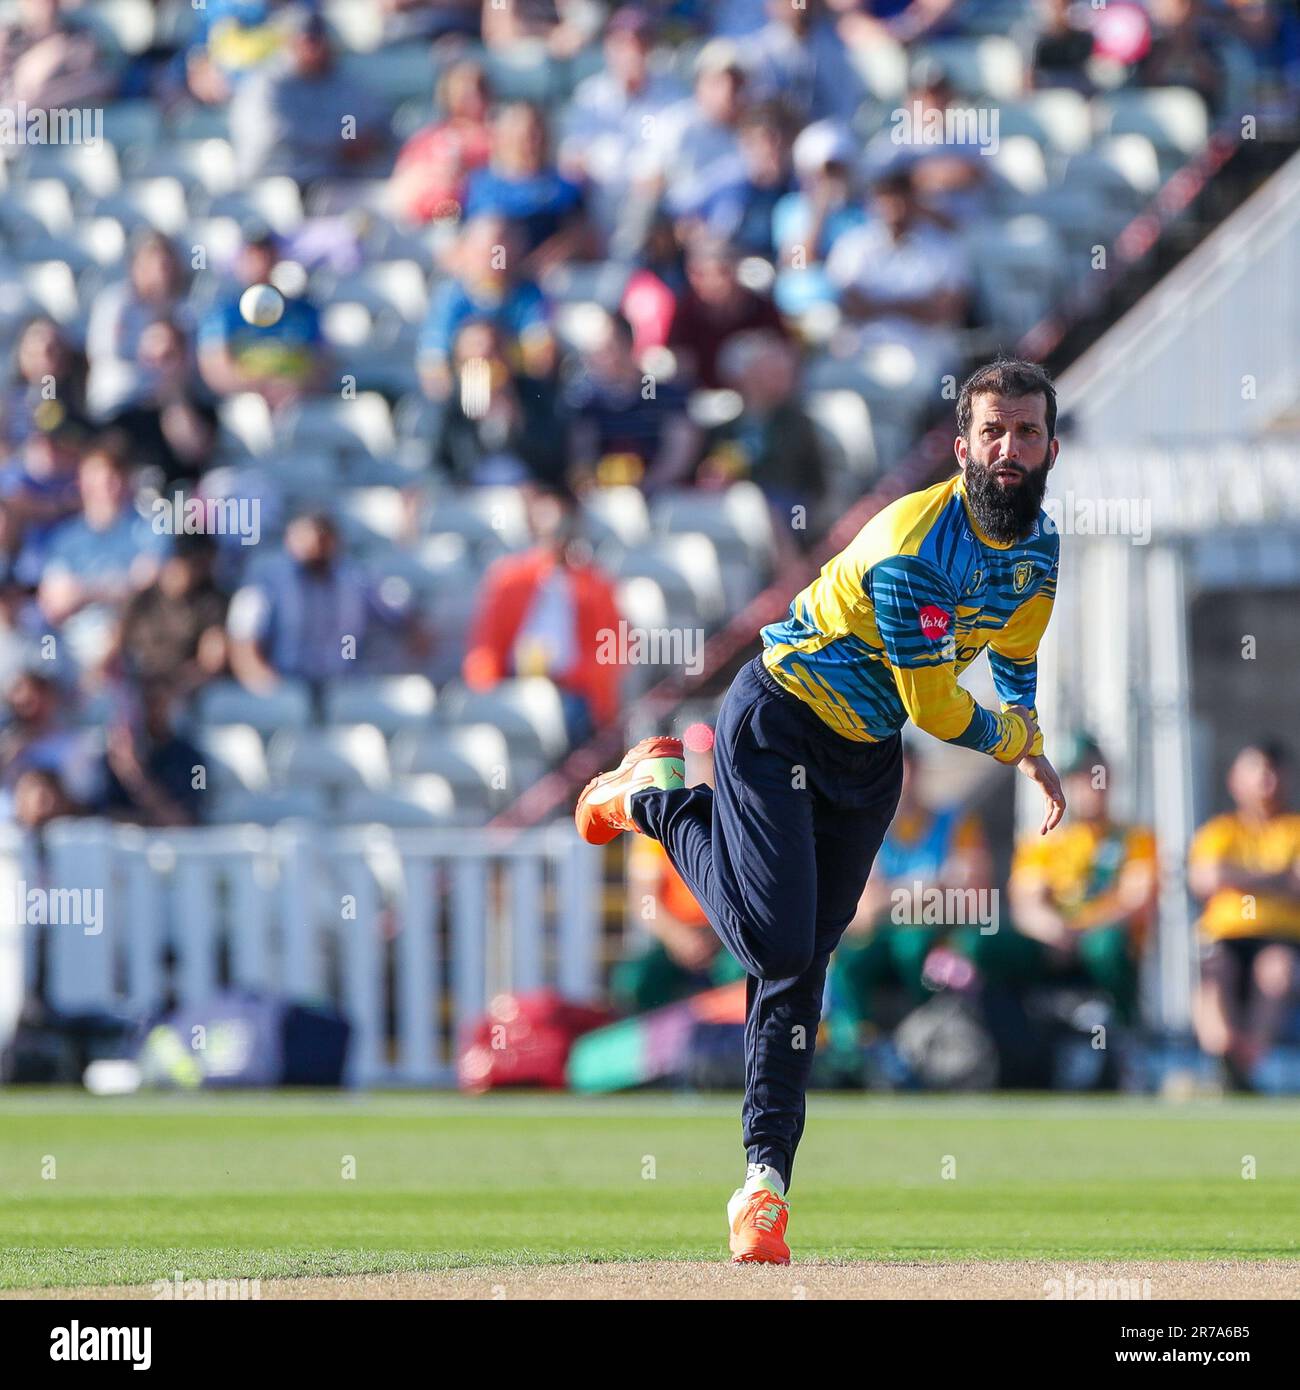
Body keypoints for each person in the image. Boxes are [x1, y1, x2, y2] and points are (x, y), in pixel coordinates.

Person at [575, 357, 1066, 1264]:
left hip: (866, 759)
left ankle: (764, 1188)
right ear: (961, 448)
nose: (1009, 448)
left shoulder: (1040, 549)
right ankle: (657, 799)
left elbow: (1019, 650)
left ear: (1050, 446)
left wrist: (1030, 735)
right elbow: (934, 706)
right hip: (781, 720)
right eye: (992, 431)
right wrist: (1008, 741)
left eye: (1026, 432)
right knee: (777, 946)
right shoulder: (917, 545)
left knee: (802, 975)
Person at [827, 742, 991, 1045]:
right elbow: (861, 912)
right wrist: (929, 890)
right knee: (848, 961)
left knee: (913, 945)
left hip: (934, 938)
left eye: (906, 769)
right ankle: (858, 1046)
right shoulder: (865, 828)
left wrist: (892, 897)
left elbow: (975, 901)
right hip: (881, 938)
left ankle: (925, 1038)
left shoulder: (956, 823)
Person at [1004, 734, 1157, 1024]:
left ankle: (1124, 1033)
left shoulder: (1135, 839)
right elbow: (1026, 903)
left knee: (1107, 946)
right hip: (1053, 943)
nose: (1091, 787)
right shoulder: (1043, 841)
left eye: (1095, 775)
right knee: (991, 946)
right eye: (1081, 777)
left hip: (1100, 944)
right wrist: (1054, 930)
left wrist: (1078, 931)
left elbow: (1135, 901)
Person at [464, 484, 622, 744]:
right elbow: (485, 649)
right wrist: (489, 690)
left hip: (571, 694)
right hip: (513, 689)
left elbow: (610, 652)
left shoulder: (597, 584)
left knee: (561, 717)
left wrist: (565, 676)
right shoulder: (509, 579)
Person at [1188, 741, 1300, 1089]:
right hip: (1227, 937)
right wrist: (1275, 877)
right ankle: (1221, 1056)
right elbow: (1204, 879)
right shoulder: (1220, 831)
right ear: (1235, 779)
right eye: (1257, 770)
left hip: (1282, 938)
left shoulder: (1293, 829)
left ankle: (1249, 1061)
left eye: (1273, 771)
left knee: (1277, 971)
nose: (1266, 780)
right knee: (1214, 968)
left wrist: (1236, 876)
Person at [614, 725, 746, 1012]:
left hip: (728, 937)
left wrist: (719, 934)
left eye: (712, 757)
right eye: (698, 758)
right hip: (681, 934)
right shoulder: (659, 823)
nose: (705, 766)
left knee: (745, 974)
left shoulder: (742, 819)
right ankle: (651, 1051)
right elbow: (644, 899)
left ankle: (738, 1051)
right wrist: (680, 938)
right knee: (635, 980)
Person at [226, 511, 414, 695]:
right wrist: (267, 686)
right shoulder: (267, 580)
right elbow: (243, 638)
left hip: (343, 685)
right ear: (290, 539)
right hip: (288, 685)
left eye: (323, 539)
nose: (315, 547)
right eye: (306, 539)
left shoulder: (354, 578)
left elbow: (398, 617)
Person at [228, 9, 387, 186]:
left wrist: (353, 137)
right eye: (309, 40)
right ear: (289, 43)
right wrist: (337, 142)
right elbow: (274, 132)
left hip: (331, 182)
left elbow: (357, 119)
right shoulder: (263, 84)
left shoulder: (340, 81)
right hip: (273, 181)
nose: (317, 48)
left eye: (321, 40)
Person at [564, 310, 699, 492]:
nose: (602, 358)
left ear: (628, 344)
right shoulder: (588, 402)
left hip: (661, 496)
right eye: (594, 352)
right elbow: (583, 457)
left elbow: (679, 452)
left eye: (609, 348)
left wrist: (648, 485)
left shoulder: (656, 390)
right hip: (608, 497)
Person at [197, 226, 328, 409]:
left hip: (300, 404)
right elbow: (215, 370)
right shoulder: (222, 313)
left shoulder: (305, 311)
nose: (261, 263)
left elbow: (323, 365)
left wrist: (295, 387)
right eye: (253, 256)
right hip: (244, 407)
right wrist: (259, 389)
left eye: (267, 255)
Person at [390, 59, 493, 225]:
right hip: (424, 224)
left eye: (479, 87)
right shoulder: (427, 139)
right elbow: (403, 188)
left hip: (474, 221)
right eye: (464, 89)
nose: (472, 94)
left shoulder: (501, 138)